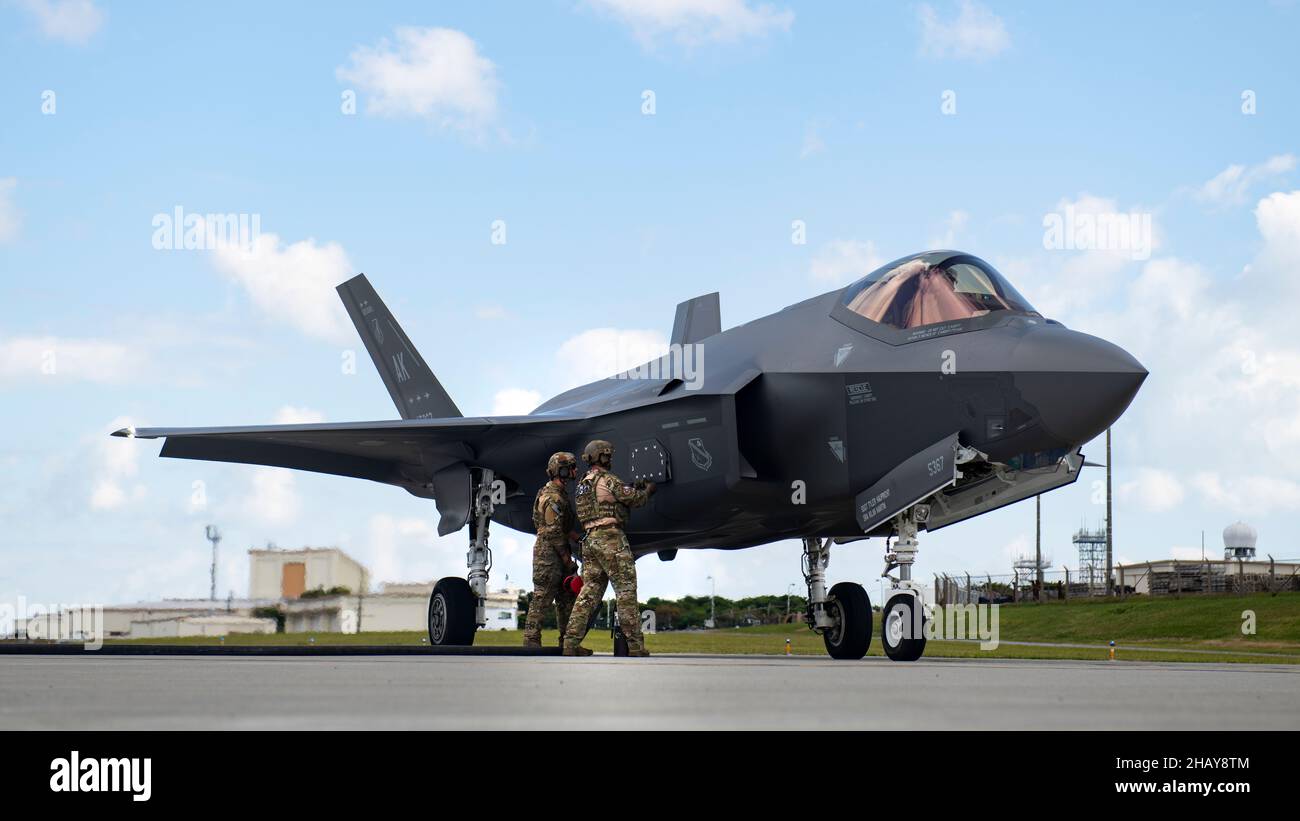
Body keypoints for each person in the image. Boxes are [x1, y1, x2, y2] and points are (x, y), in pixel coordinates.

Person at [563, 439, 656, 657]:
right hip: (610, 538)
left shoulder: (583, 483)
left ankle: (570, 643)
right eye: (607, 455)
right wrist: (648, 490)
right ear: (599, 457)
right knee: (625, 590)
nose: (610, 458)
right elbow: (635, 499)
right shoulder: (608, 479)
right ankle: (635, 646)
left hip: (591, 540)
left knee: (588, 594)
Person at [522, 452, 581, 648]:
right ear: (561, 470)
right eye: (571, 467)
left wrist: (578, 538)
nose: (575, 471)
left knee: (566, 599)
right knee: (543, 596)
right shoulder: (551, 497)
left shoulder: (559, 494)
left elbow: (562, 527)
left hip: (558, 550)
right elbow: (553, 532)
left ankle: (568, 643)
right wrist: (567, 560)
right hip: (548, 555)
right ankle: (531, 640)